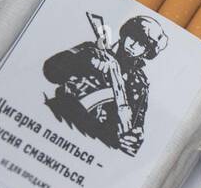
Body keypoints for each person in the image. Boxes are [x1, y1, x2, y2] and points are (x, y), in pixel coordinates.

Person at [42, 13, 168, 156]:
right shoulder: (91, 50)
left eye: (142, 44)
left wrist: (135, 138)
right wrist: (86, 60)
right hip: (58, 120)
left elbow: (135, 124)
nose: (133, 45)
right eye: (133, 37)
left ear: (146, 52)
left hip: (92, 145)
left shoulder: (139, 84)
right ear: (125, 34)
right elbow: (50, 71)